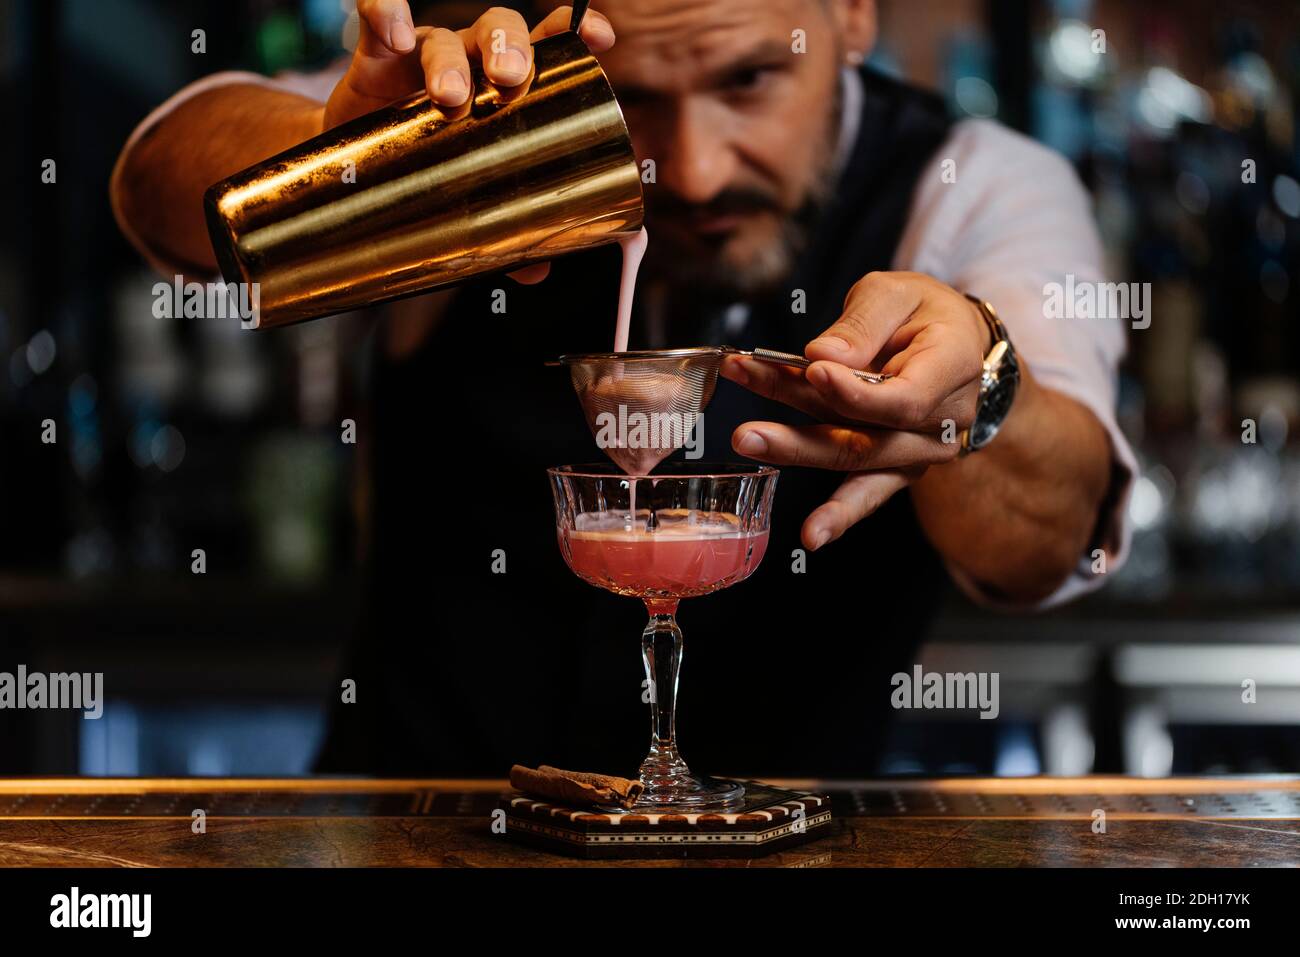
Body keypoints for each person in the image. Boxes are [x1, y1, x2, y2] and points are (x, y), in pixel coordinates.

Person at [111, 0, 1137, 777]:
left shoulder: (977, 185)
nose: (688, 174)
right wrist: (349, 175)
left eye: (746, 83)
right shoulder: (485, 129)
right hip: (412, 840)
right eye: (633, 98)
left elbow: (1056, 540)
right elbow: (155, 180)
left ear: (851, 16)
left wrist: (982, 392)